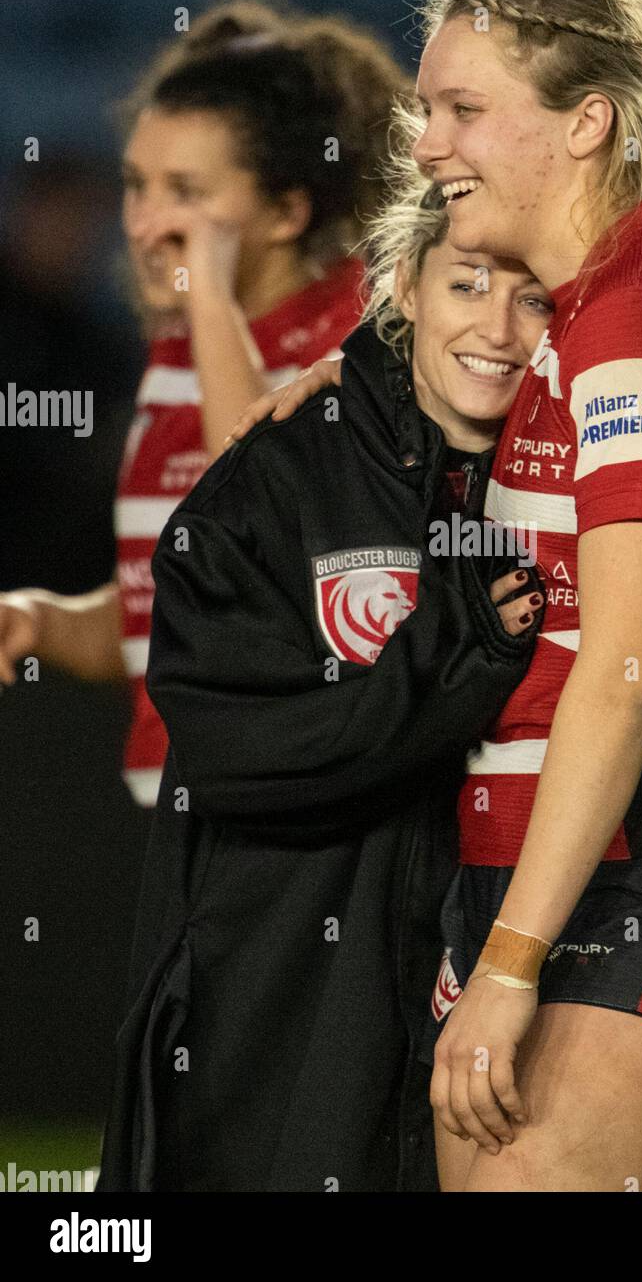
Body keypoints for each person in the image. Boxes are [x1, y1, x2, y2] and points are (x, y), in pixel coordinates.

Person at [234, 0, 642, 1193]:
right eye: (425, 108)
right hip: (544, 866)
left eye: (462, 109)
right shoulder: (611, 287)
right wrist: (372, 373)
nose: (425, 144)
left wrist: (507, 964)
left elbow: (628, 671)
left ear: (583, 124)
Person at [95, 172, 555, 1191]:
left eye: (533, 297)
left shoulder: (583, 483)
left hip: (498, 997)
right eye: (467, 284)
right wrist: (457, 652)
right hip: (278, 1001)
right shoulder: (277, 475)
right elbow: (237, 757)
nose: (498, 328)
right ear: (404, 286)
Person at [0, 0, 405, 813]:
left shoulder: (365, 330)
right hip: (178, 810)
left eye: (185, 192)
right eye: (136, 186)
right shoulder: (178, 351)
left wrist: (210, 301)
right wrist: (47, 621)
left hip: (301, 812)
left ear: (287, 211)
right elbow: (162, 608)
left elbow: (274, 540)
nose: (146, 225)